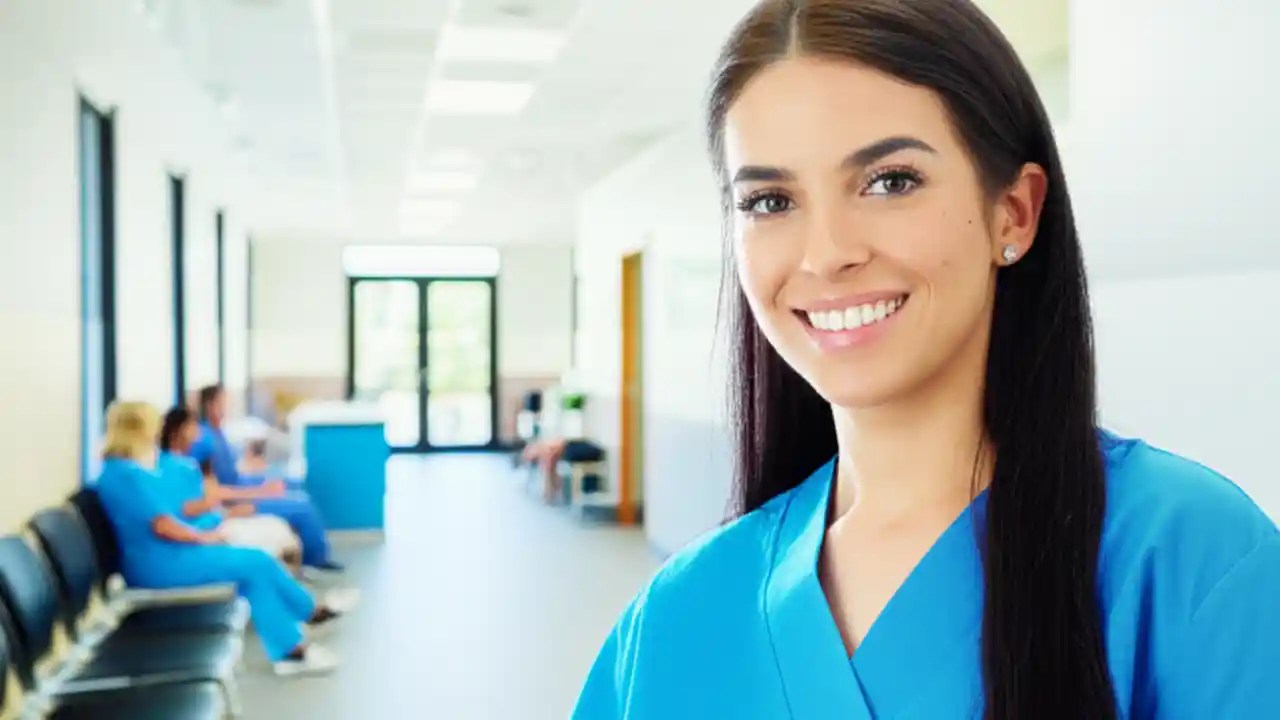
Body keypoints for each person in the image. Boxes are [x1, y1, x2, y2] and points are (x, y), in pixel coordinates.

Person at [574, 1, 1280, 718]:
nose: (826, 254)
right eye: (768, 200)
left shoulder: (1191, 562)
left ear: (1015, 213)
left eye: (890, 182)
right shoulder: (676, 621)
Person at [94, 401, 358, 676]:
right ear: (139, 430)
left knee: (254, 566)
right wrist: (203, 537)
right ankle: (302, 627)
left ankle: (294, 644)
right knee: (255, 562)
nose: (157, 432)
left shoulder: (121, 470)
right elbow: (162, 524)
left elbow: (164, 517)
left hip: (165, 555)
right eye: (153, 426)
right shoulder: (127, 475)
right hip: (159, 563)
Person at [190, 384, 344, 574]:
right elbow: (213, 488)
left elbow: (225, 470)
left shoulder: (216, 432)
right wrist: (261, 492)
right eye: (223, 402)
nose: (227, 407)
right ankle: (316, 559)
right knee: (302, 505)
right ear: (211, 405)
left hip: (238, 484)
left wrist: (252, 469)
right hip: (234, 497)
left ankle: (312, 550)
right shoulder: (204, 440)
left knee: (292, 483)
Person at [157, 406, 301, 565]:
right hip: (205, 530)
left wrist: (225, 508)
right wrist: (224, 510)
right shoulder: (167, 467)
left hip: (214, 522)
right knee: (277, 535)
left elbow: (210, 496)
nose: (198, 434)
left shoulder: (187, 464)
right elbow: (183, 509)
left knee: (279, 529)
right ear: (179, 430)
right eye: (193, 426)